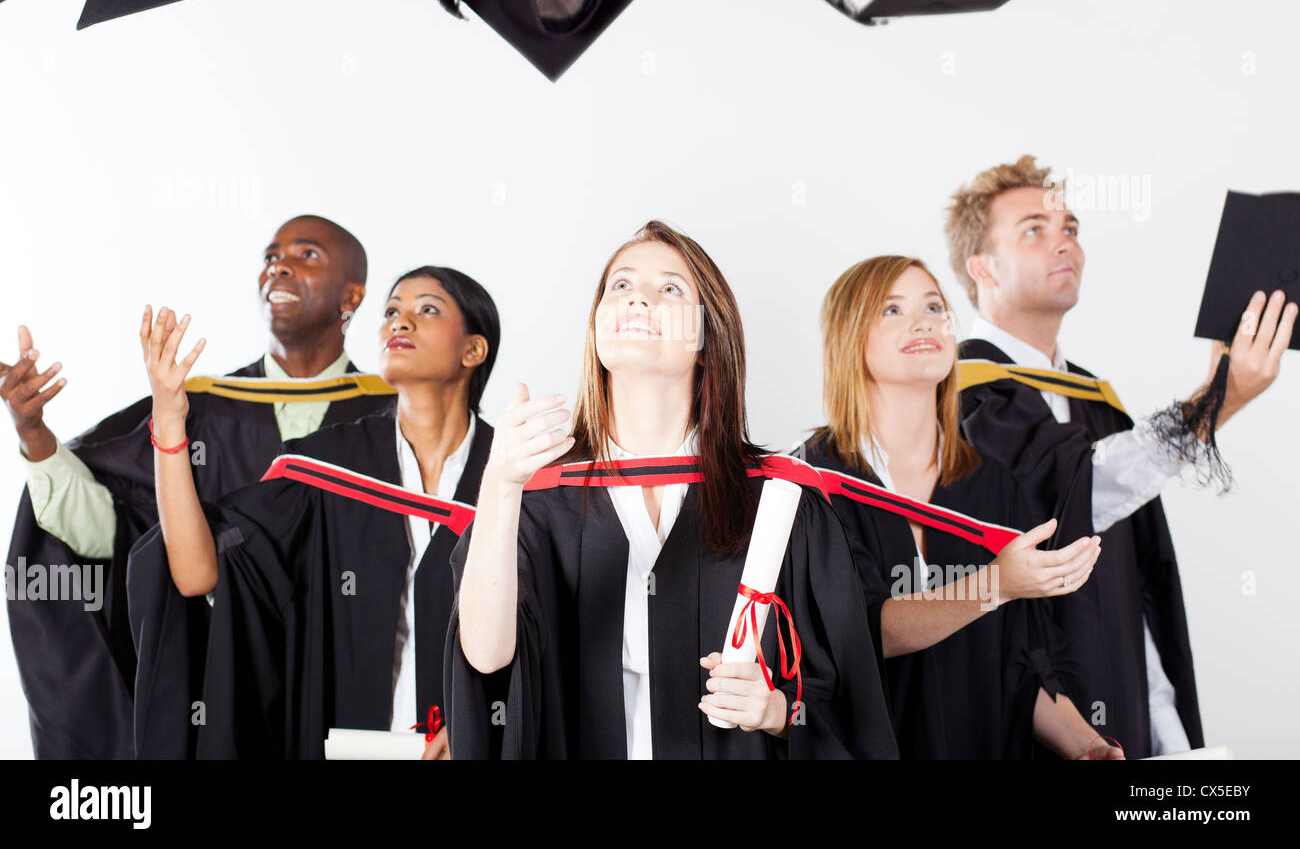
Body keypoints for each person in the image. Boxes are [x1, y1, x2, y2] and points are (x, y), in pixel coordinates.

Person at [450, 220, 899, 759]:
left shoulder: (780, 497)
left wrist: (778, 711)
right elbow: (486, 656)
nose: (639, 299)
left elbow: (853, 703)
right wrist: (499, 487)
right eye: (621, 285)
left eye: (670, 289)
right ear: (597, 329)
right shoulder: (535, 494)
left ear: (708, 339)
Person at [2, 214, 394, 759]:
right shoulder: (198, 408)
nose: (277, 264)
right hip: (222, 694)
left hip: (362, 698)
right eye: (270, 255)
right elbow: (110, 537)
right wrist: (34, 432)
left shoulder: (394, 416)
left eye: (307, 255)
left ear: (353, 295)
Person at [946, 156, 1295, 757]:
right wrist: (1216, 401)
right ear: (983, 267)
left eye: (1072, 229)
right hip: (1019, 715)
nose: (1065, 244)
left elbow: (1136, 586)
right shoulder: (962, 393)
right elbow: (1080, 495)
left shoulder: (1095, 400)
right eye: (1035, 229)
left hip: (1131, 720)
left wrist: (1172, 739)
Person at [131, 265, 498, 759]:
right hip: (355, 752)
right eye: (391, 311)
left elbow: (558, 639)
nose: (399, 322)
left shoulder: (513, 476)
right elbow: (196, 574)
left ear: (473, 349)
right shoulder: (326, 468)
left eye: (426, 309)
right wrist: (169, 423)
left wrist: (478, 727)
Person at [795, 255, 1117, 759]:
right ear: (848, 338)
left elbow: (1024, 667)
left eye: (933, 307)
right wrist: (996, 584)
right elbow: (860, 631)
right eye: (892, 310)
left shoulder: (992, 482)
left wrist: (1088, 746)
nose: (923, 321)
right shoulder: (813, 484)